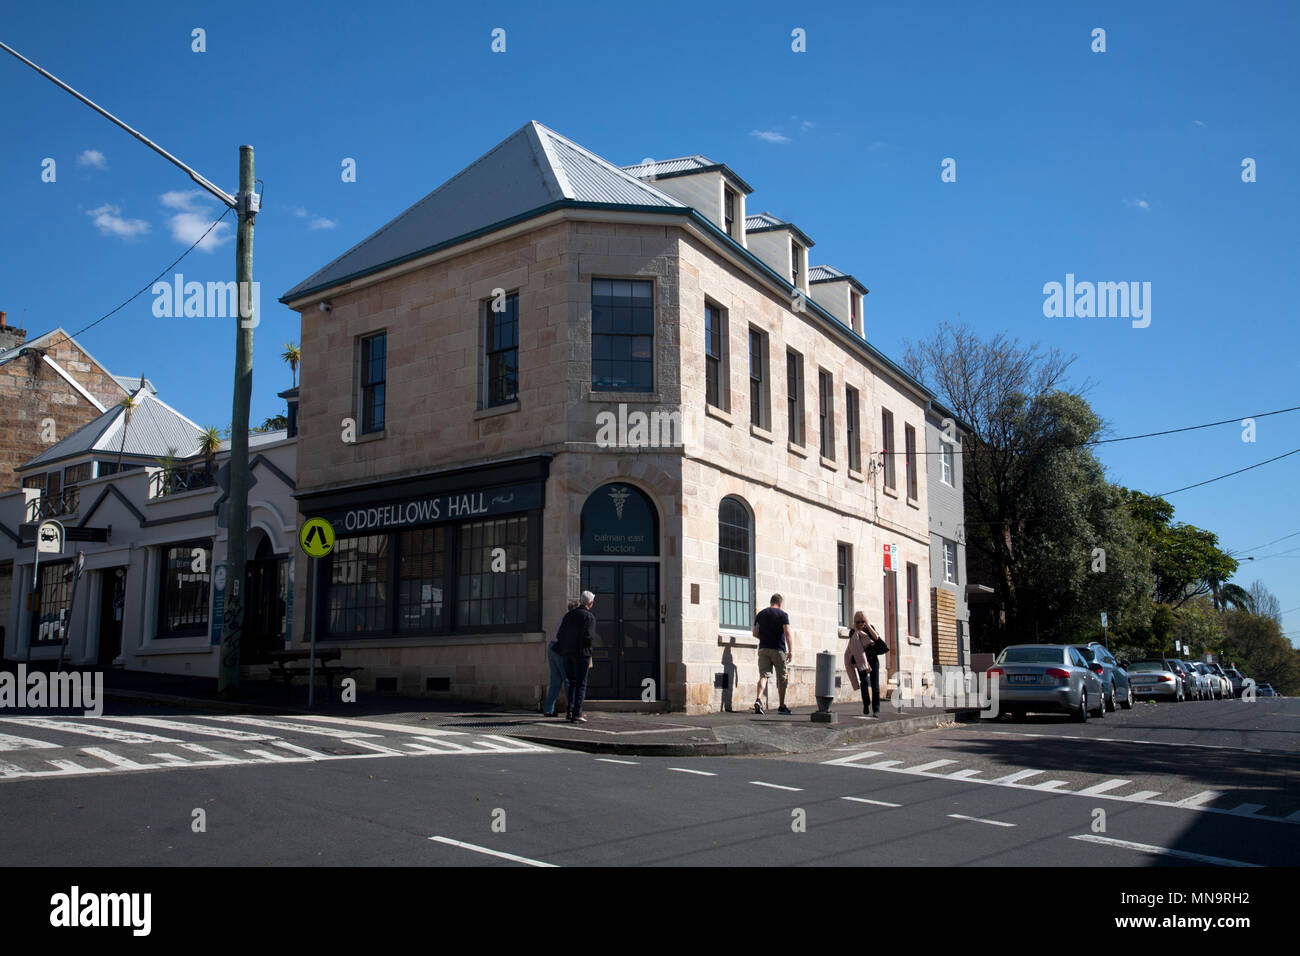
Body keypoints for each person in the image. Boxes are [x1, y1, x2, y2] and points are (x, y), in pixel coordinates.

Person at [554, 590, 597, 723]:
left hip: (567, 654)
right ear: (590, 603)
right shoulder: (589, 617)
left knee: (571, 682)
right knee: (580, 684)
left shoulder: (568, 616)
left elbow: (559, 635)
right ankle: (577, 713)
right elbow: (588, 637)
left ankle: (570, 711)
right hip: (581, 654)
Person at [752, 593, 794, 715]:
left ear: (771, 602)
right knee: (782, 678)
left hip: (763, 648)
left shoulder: (760, 614)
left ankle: (758, 699)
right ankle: (781, 706)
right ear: (780, 603)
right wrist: (790, 651)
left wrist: (764, 638)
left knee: (763, 676)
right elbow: (787, 633)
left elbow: (754, 633)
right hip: (778, 649)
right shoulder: (783, 615)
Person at [542, 601, 580, 717]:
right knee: (568, 680)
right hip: (560, 650)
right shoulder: (571, 620)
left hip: (552, 647)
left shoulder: (563, 618)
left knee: (555, 681)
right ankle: (572, 708)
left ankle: (548, 709)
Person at [844, 611, 884, 716]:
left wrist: (868, 625)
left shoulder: (870, 628)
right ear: (855, 622)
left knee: (875, 685)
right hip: (860, 660)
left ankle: (876, 709)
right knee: (864, 683)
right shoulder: (853, 632)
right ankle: (866, 704)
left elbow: (876, 637)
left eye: (862, 621)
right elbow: (853, 644)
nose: (860, 623)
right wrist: (856, 630)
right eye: (858, 621)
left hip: (872, 659)